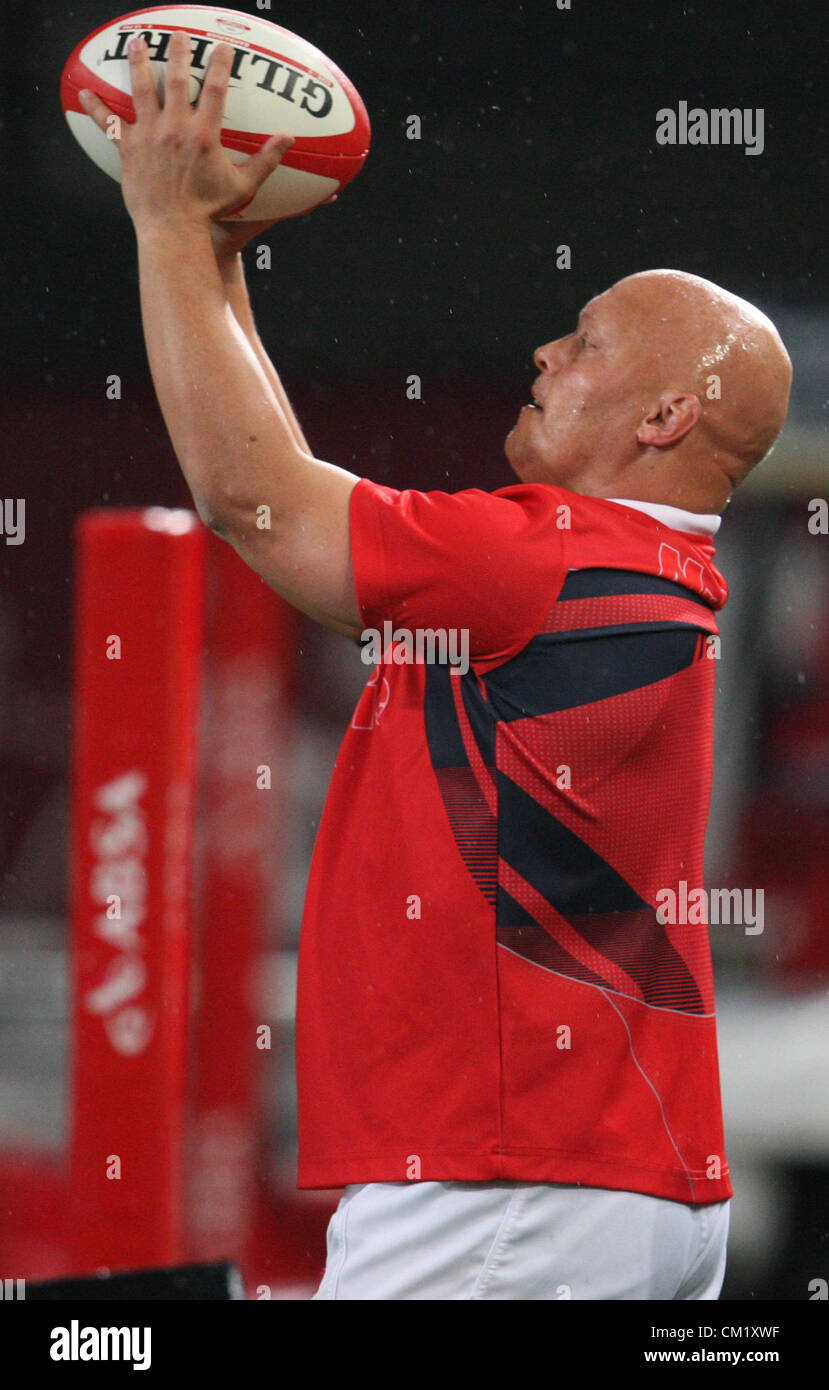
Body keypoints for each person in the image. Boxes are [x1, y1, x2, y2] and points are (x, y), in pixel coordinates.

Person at [80, 35, 792, 1300]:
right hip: (612, 1185)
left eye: (582, 343)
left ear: (663, 417)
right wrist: (221, 250)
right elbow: (282, 472)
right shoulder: (637, 571)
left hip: (502, 1192)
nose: (540, 356)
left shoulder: (545, 564)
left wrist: (161, 224)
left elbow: (253, 498)